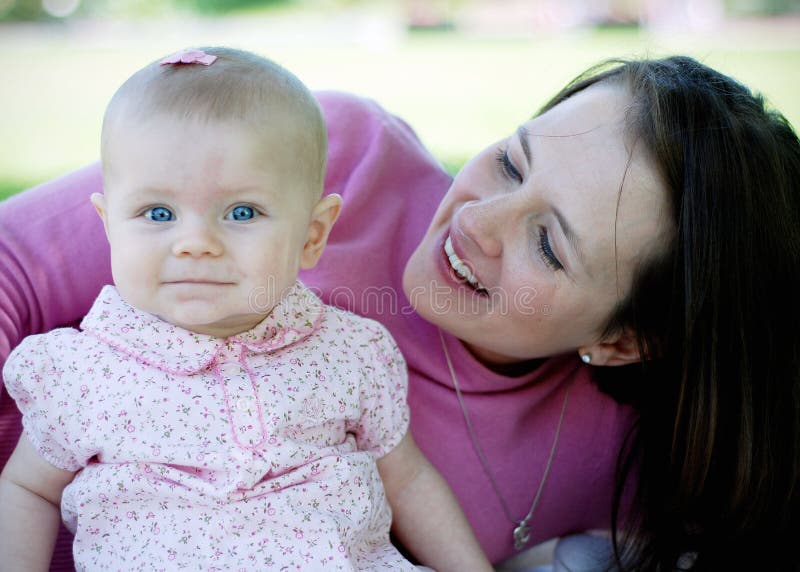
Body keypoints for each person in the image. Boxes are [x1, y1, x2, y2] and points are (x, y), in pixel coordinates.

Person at [0, 53, 797, 571]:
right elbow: (14, 264)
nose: (475, 222)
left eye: (548, 245)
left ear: (624, 339)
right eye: (512, 161)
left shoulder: (630, 460)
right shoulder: (337, 150)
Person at [0, 47, 493, 572]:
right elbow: (29, 488)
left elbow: (408, 478)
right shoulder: (83, 371)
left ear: (312, 234)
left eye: (241, 212)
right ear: (108, 226)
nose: (195, 242)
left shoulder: (349, 351)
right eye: (157, 212)